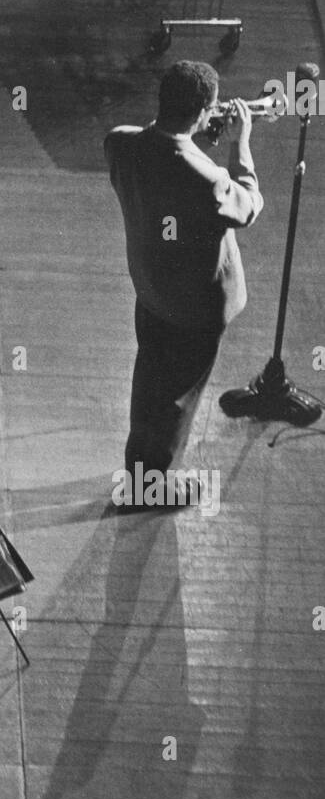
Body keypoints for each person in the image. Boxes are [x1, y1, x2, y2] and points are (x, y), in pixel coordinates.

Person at [105, 60, 264, 489]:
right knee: (179, 401)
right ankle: (153, 487)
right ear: (202, 112)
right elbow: (247, 205)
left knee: (150, 384)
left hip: (151, 292)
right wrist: (239, 144)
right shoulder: (210, 182)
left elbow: (165, 158)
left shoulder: (118, 144)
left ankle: (138, 469)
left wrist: (199, 134)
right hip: (195, 310)